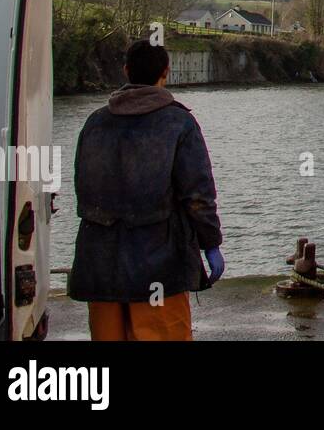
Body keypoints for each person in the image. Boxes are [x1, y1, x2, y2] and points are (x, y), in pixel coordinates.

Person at [68, 40, 225, 340]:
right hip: (158, 266)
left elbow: (83, 190)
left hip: (101, 266)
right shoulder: (179, 123)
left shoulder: (95, 123)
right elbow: (198, 196)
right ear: (166, 72)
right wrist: (211, 244)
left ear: (126, 71)